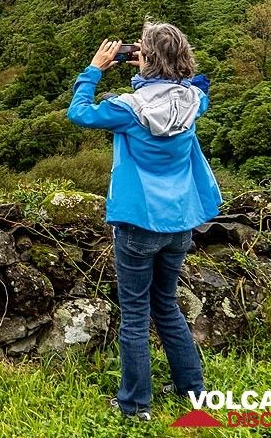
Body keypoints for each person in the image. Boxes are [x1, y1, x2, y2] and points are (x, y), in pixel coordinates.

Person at [66, 22, 222, 422]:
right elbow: (200, 86)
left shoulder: (126, 109)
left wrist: (96, 68)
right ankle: (193, 390)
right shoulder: (192, 102)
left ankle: (135, 406)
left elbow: (79, 113)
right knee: (166, 306)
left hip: (139, 224)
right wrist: (158, 68)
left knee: (135, 313)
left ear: (147, 58)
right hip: (180, 223)